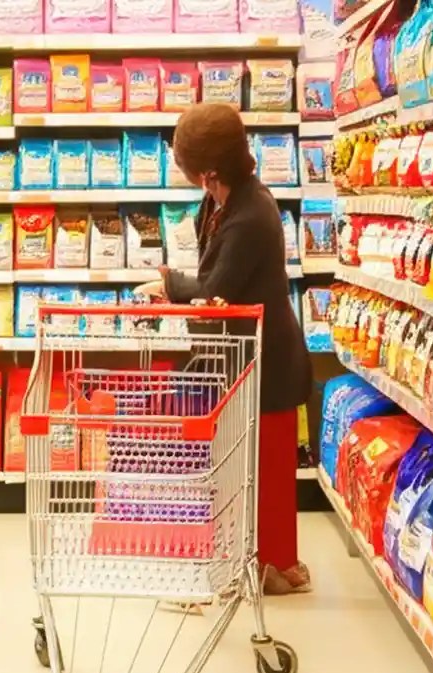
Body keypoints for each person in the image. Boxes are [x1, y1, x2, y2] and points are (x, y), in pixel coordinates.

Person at [135, 103, 313, 595]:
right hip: (238, 358)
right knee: (244, 463)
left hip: (268, 363)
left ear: (210, 172)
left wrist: (167, 284)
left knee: (271, 471)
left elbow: (219, 284)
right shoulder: (220, 202)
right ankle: (250, 555)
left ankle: (278, 566)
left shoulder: (251, 215)